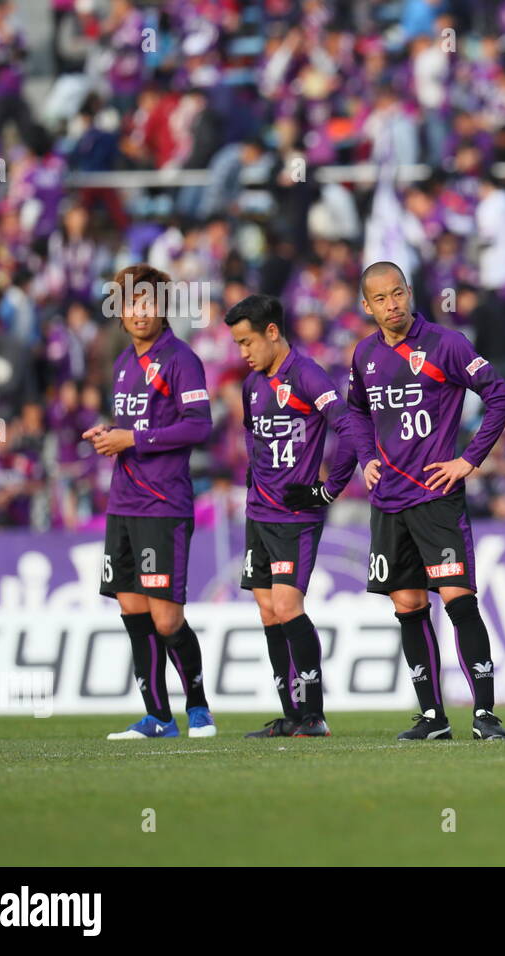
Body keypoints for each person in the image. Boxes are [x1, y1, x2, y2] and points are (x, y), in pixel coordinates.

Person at [346, 261, 505, 741]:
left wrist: (469, 460)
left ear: (409, 292)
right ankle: (432, 718)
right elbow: (355, 411)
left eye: (397, 293)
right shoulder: (364, 355)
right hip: (389, 502)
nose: (392, 304)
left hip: (437, 497)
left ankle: (485, 714)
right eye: (380, 298)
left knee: (460, 602)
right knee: (408, 607)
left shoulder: (445, 343)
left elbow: (501, 397)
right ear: (367, 306)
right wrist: (365, 458)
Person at [84, 264, 215, 739]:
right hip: (122, 505)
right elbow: (133, 431)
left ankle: (198, 706)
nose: (140, 312)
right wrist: (109, 436)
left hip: (163, 505)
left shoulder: (181, 359)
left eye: (149, 303)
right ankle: (159, 717)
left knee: (166, 618)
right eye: (131, 304)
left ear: (163, 310)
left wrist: (132, 438)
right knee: (133, 614)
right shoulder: (122, 365)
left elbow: (199, 425)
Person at [226, 294, 364, 738]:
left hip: (295, 515)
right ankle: (292, 713)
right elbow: (254, 439)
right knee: (268, 612)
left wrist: (328, 489)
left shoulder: (306, 374)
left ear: (271, 332)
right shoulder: (251, 386)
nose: (243, 353)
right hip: (258, 515)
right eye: (237, 344)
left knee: (287, 606)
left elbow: (348, 427)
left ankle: (314, 715)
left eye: (247, 342)